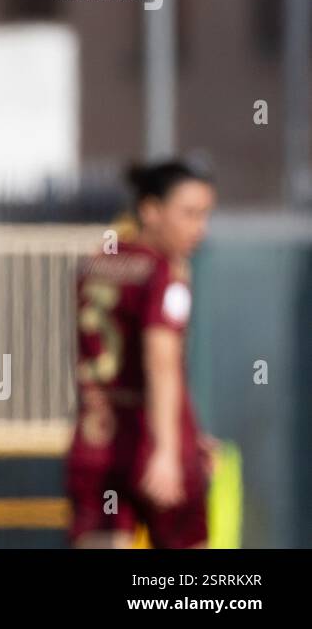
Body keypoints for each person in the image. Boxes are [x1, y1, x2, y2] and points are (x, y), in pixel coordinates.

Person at [66, 158, 218, 548]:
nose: (200, 228)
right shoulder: (164, 271)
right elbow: (161, 362)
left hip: (96, 444)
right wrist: (169, 449)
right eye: (189, 214)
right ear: (150, 211)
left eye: (205, 215)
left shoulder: (96, 264)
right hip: (153, 447)